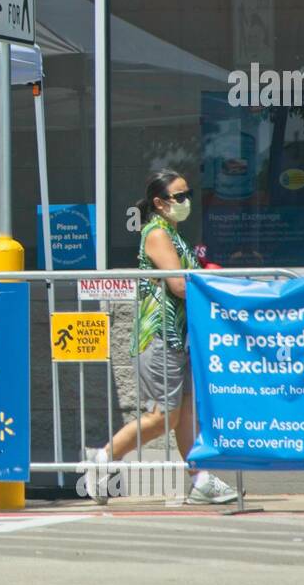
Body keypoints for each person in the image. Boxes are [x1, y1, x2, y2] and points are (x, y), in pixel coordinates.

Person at [88, 170, 237, 505]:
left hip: (179, 337)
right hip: (160, 337)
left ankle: (200, 479)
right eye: (179, 196)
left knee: (186, 415)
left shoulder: (173, 233)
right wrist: (212, 283)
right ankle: (104, 457)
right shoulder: (157, 234)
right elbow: (179, 285)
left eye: (188, 195)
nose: (186, 202)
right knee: (163, 417)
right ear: (159, 202)